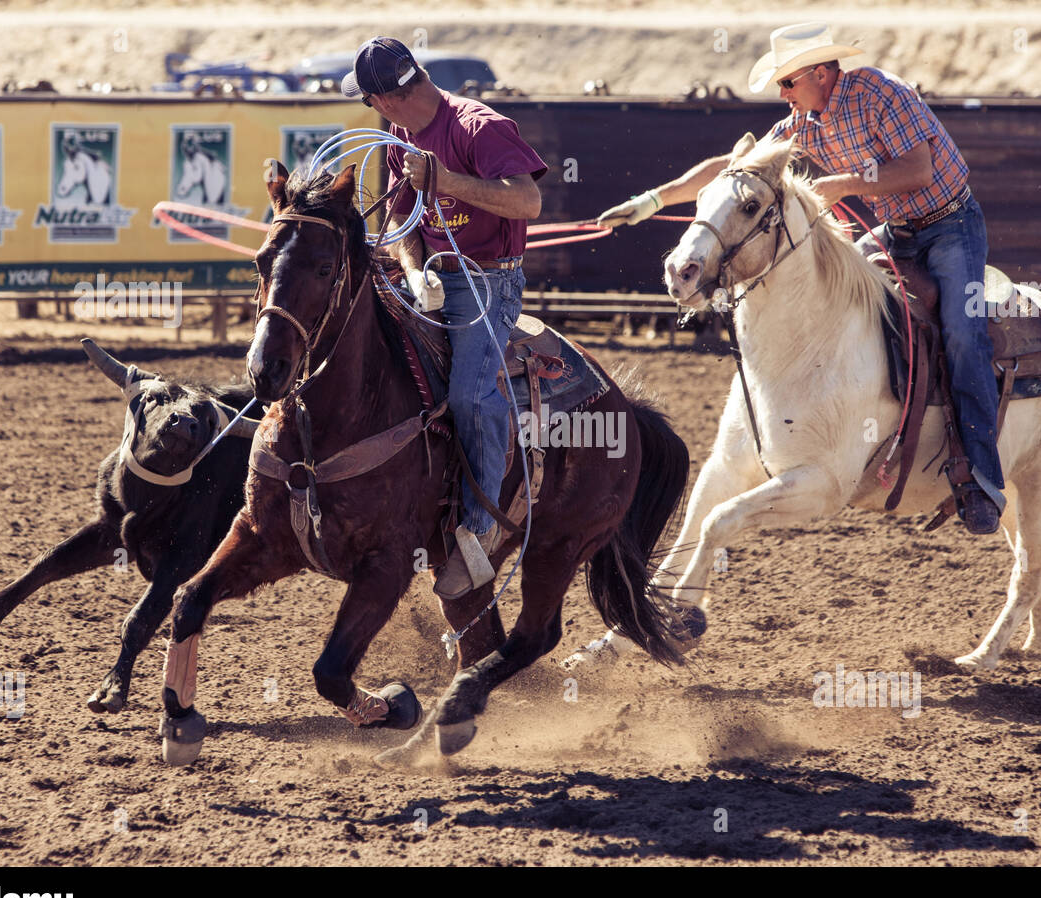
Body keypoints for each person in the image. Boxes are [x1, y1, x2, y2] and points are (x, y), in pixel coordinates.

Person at [596, 22, 1004, 534]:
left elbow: (920, 170)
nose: (782, 94)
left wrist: (841, 184)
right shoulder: (802, 120)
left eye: (787, 83)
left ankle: (982, 479)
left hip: (951, 227)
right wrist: (652, 200)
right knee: (843, 302)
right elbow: (731, 167)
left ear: (820, 72)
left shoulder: (882, 93)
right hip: (896, 231)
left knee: (965, 335)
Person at [341, 36, 549, 597]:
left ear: (382, 100)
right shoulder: (396, 136)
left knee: (469, 394)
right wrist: (412, 274)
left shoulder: (479, 127)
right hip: (431, 276)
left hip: (488, 281)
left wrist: (448, 182)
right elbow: (402, 220)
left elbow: (527, 203)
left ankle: (478, 533)